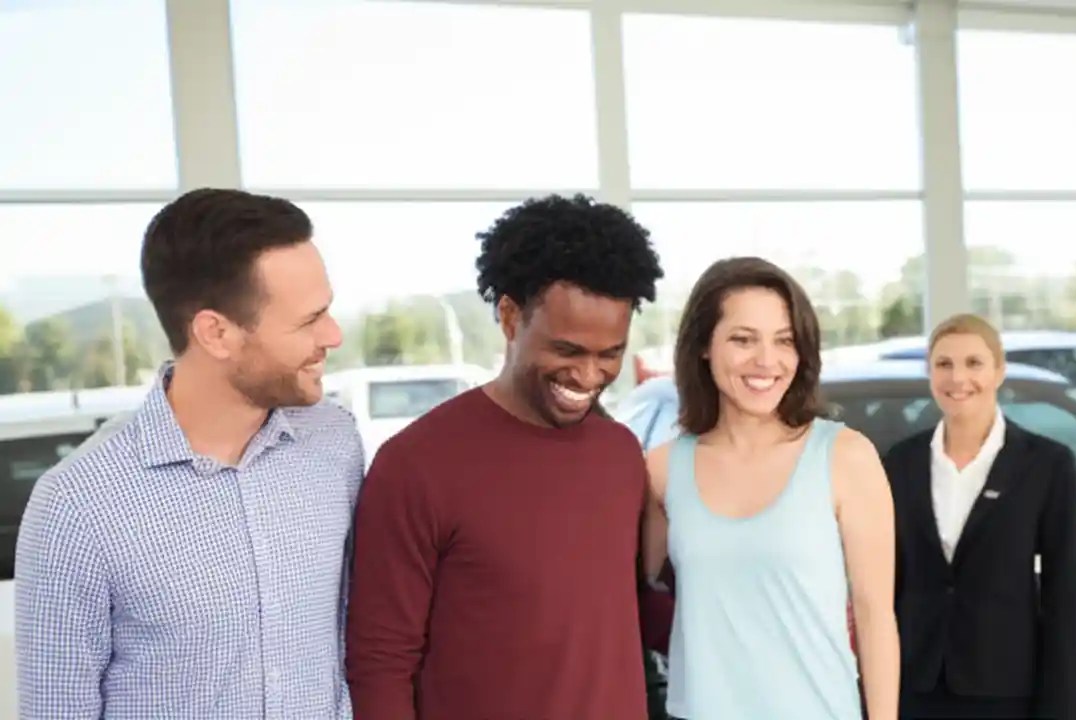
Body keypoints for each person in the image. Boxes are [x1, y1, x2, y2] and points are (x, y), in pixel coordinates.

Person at [14, 188, 364, 718]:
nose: (332, 335)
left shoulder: (334, 442)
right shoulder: (77, 503)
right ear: (215, 333)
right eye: (307, 320)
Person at [344, 194, 665, 719]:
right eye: (567, 351)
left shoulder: (620, 453)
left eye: (609, 354)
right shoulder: (417, 464)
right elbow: (380, 663)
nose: (589, 376)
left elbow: (621, 616)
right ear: (511, 317)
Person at [641, 256, 899, 720]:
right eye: (743, 339)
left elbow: (875, 616)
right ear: (703, 345)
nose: (766, 360)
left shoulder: (845, 457)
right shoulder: (662, 471)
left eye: (784, 341)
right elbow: (624, 599)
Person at [884, 313, 1076, 719]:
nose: (958, 378)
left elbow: (1064, 598)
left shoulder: (1046, 464)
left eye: (974, 363)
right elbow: (885, 586)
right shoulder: (901, 462)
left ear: (999, 371)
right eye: (944, 364)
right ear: (929, 373)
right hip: (915, 687)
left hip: (1005, 690)